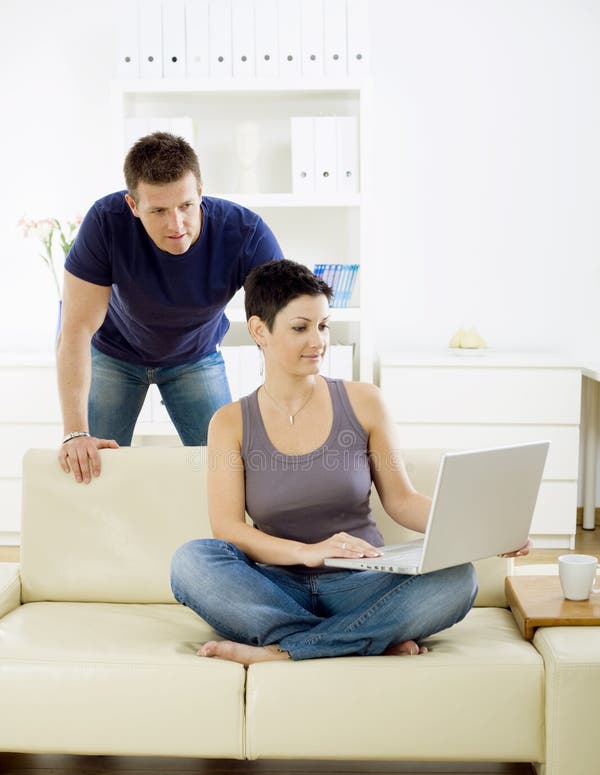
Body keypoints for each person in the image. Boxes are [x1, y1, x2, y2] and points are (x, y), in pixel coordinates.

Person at [170, 259, 530, 664]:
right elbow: (228, 528)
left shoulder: (364, 401)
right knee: (191, 561)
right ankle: (367, 637)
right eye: (300, 327)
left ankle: (285, 649)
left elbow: (403, 501)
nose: (318, 341)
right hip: (274, 585)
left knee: (456, 578)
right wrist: (307, 552)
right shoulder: (230, 422)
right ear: (259, 331)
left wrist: (490, 529)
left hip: (362, 583)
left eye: (323, 326)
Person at [57, 131, 283, 484]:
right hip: (114, 354)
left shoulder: (246, 233)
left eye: (186, 206)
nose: (176, 225)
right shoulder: (105, 222)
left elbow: (280, 328)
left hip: (195, 357)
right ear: (133, 206)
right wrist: (74, 433)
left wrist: (286, 420)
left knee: (227, 470)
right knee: (91, 470)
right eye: (158, 210)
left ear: (201, 193)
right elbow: (75, 329)